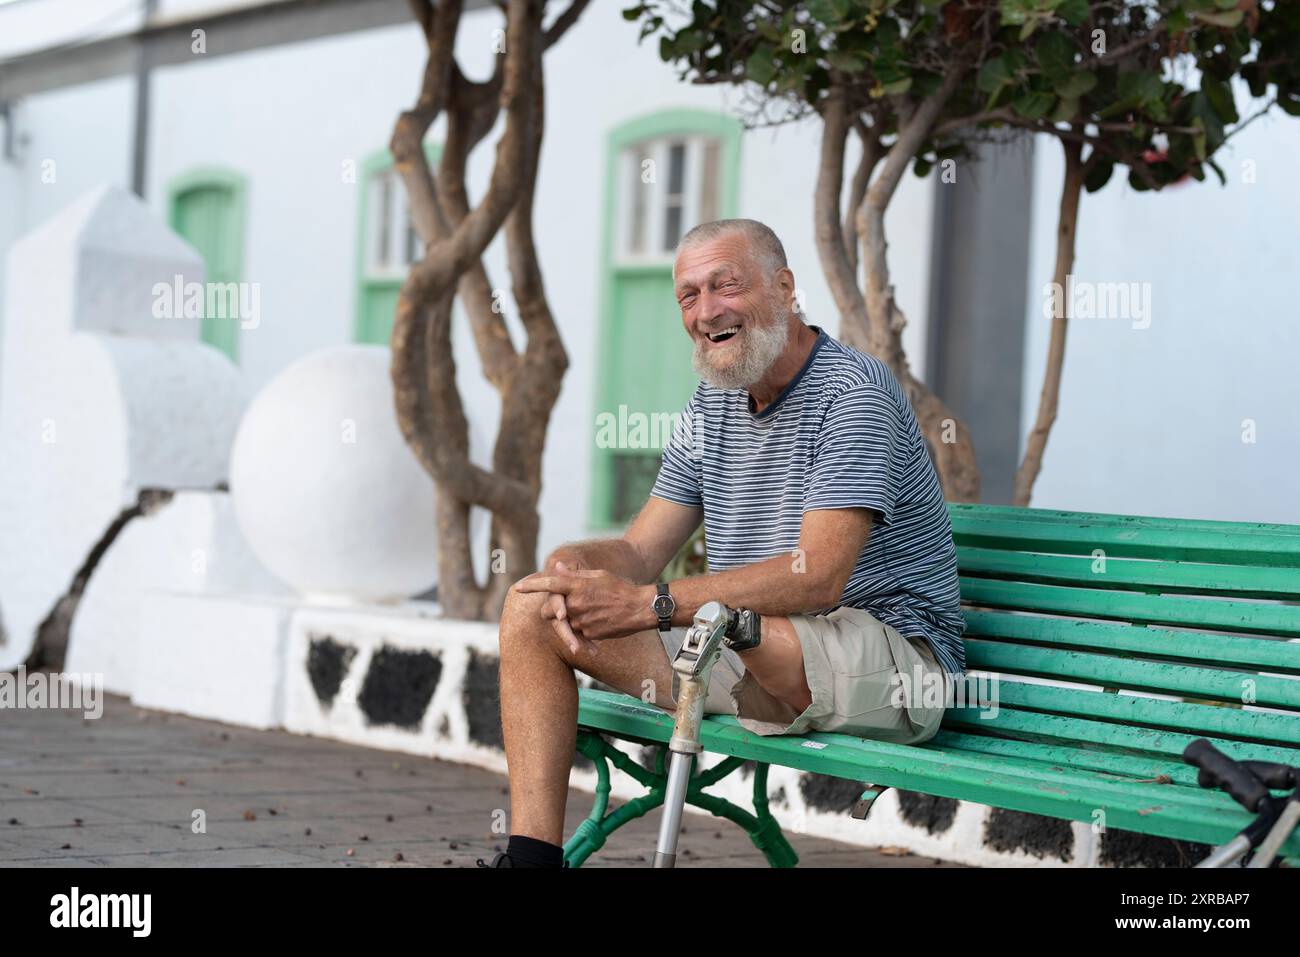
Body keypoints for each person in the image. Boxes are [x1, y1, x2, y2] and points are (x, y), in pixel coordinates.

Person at [479, 218, 965, 868]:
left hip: (896, 665)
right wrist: (577, 568)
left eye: (724, 285)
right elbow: (639, 553)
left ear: (785, 287)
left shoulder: (854, 395)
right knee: (532, 607)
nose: (707, 310)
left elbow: (818, 576)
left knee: (753, 631)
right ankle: (532, 862)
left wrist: (651, 605)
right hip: (741, 640)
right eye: (688, 294)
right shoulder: (711, 406)